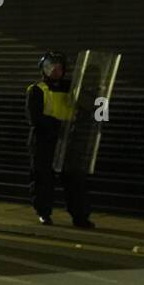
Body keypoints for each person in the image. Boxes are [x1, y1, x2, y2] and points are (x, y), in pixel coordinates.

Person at [26, 51, 93, 228]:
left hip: (68, 142)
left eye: (58, 66)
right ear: (43, 69)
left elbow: (88, 107)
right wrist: (61, 125)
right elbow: (36, 118)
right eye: (49, 66)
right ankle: (44, 213)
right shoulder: (37, 89)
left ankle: (80, 216)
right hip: (44, 141)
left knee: (75, 180)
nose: (54, 69)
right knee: (43, 180)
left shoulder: (73, 89)